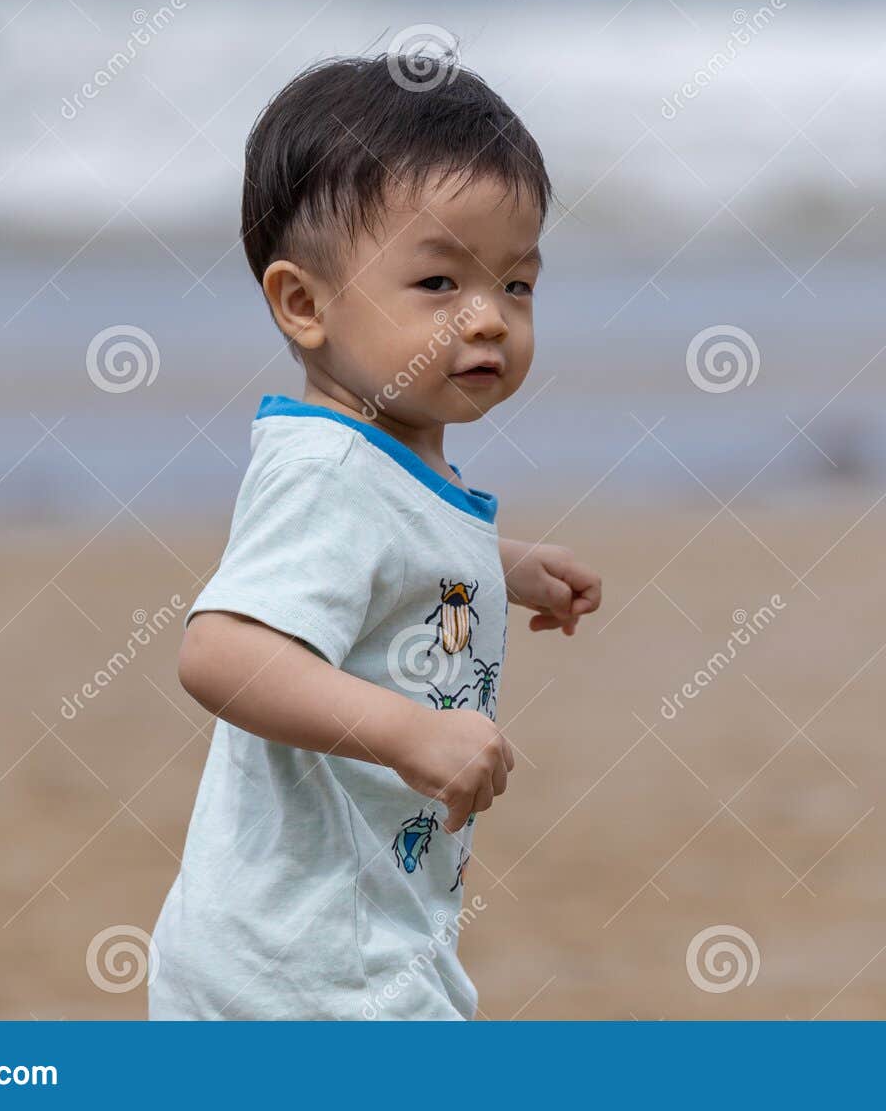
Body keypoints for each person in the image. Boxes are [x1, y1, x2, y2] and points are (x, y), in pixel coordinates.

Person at [149, 54, 601, 1020]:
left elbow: (388, 556)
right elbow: (221, 651)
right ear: (303, 304)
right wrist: (409, 731)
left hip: (347, 935)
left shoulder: (380, 462)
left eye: (517, 284)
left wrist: (505, 567)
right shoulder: (330, 473)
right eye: (438, 281)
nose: (489, 319)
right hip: (315, 962)